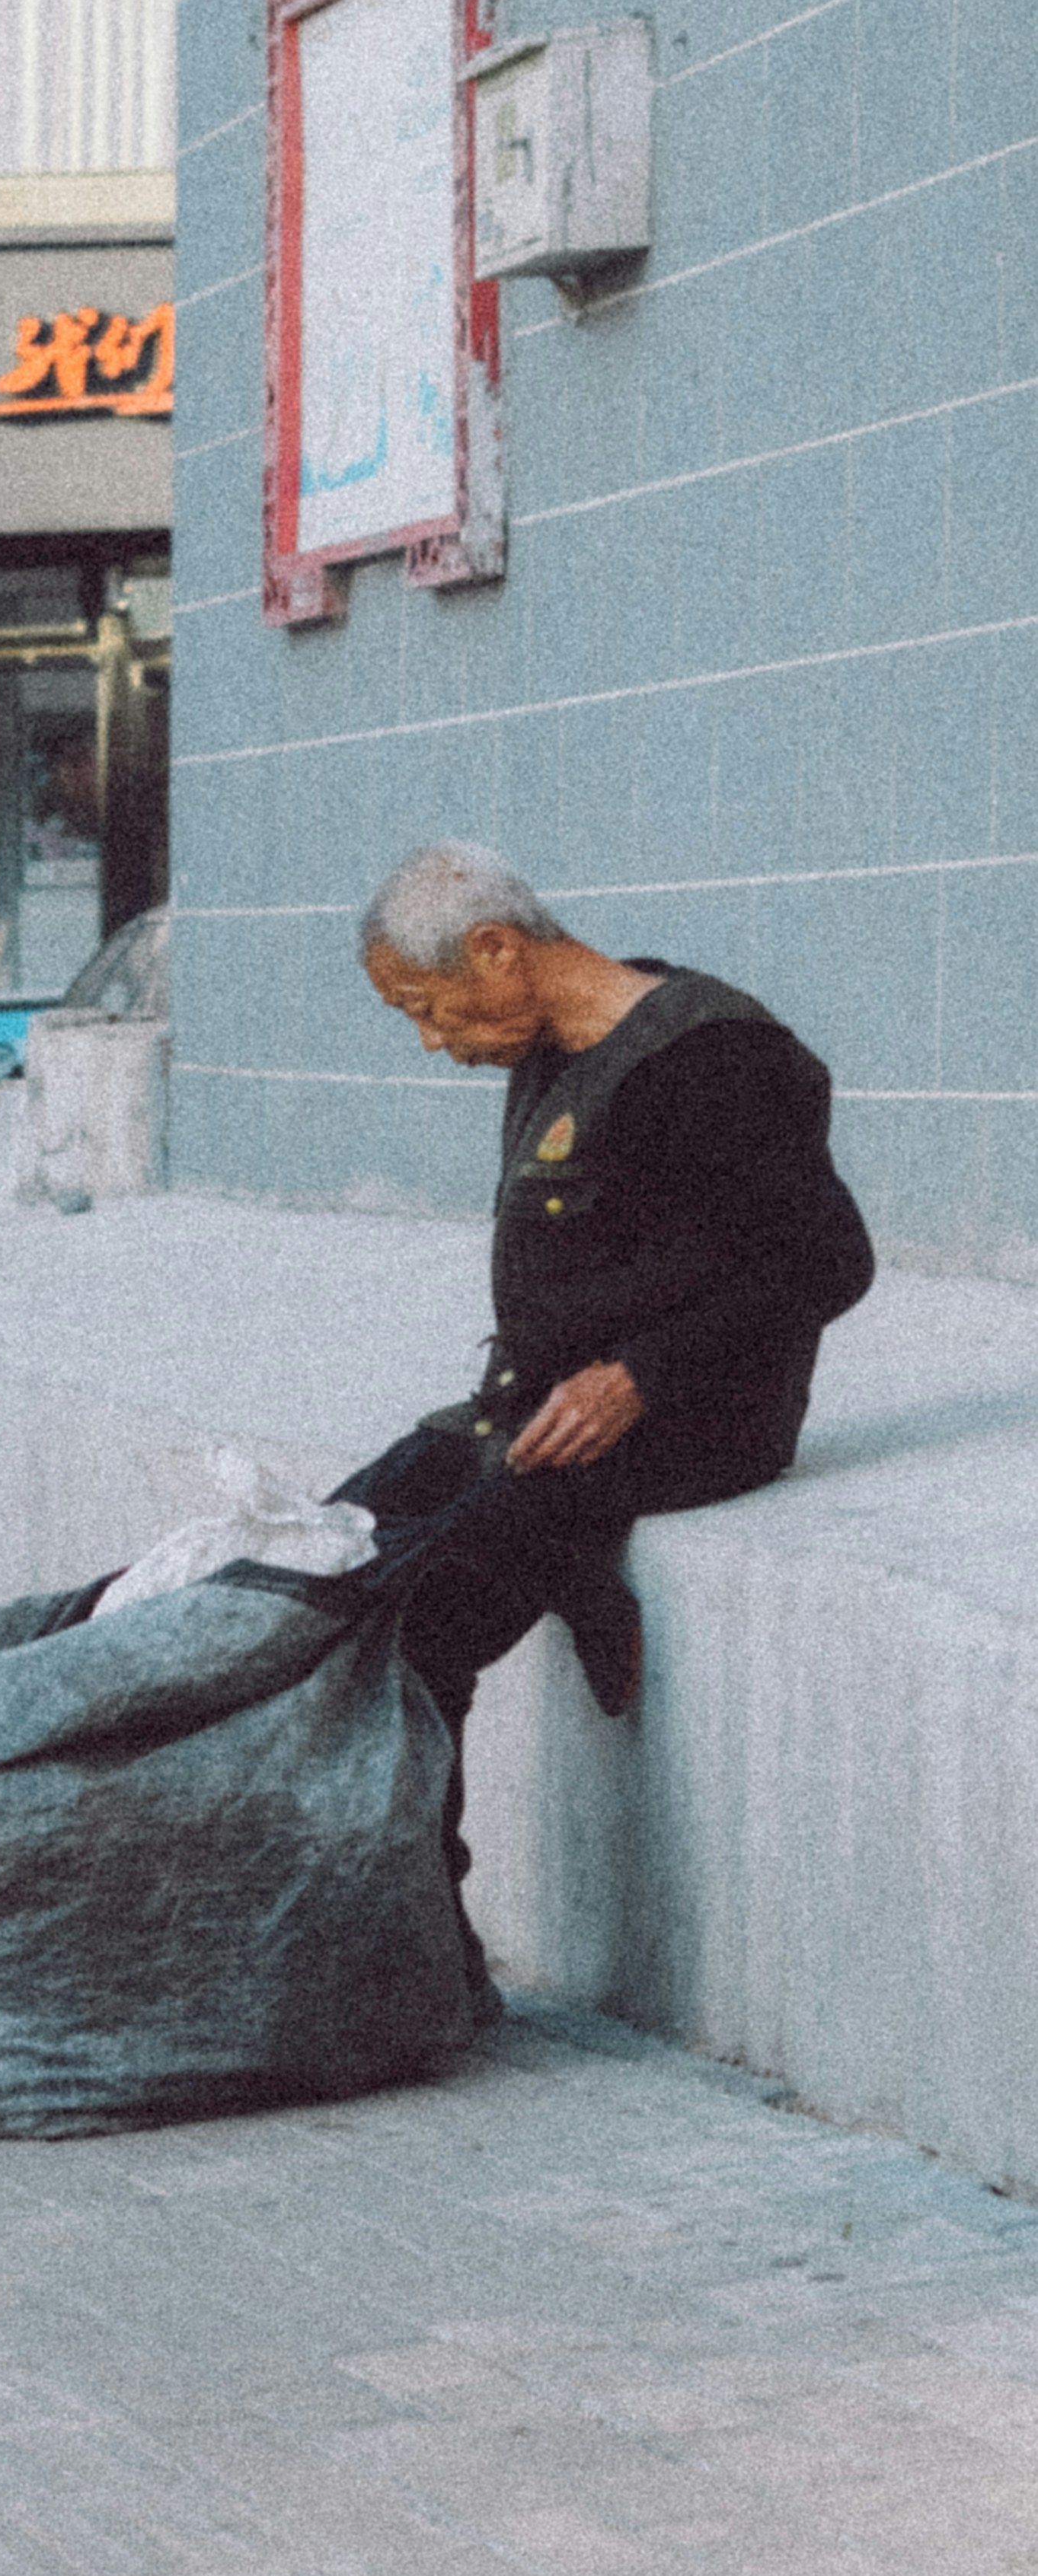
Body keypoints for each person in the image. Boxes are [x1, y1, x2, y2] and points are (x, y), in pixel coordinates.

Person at [334, 842, 877, 2010]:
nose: (432, 1042)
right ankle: (573, 1562)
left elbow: (830, 1259)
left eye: (427, 1009)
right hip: (545, 1407)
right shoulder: (546, 1039)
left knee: (416, 1624)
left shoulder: (714, 1060)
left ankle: (428, 1965)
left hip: (691, 1419)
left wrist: (637, 1374)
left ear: (494, 949)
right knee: (322, 1549)